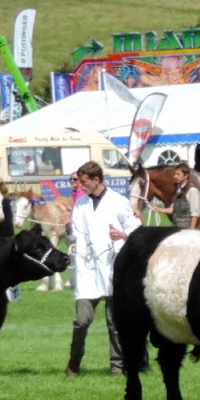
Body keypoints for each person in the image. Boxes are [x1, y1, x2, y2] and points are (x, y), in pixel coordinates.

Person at [67, 160, 139, 377]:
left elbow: (136, 229)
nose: (80, 186)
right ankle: (73, 364)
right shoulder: (80, 204)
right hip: (87, 269)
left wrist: (123, 235)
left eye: (83, 182)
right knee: (81, 321)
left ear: (96, 179)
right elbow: (75, 235)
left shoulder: (118, 201)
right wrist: (68, 230)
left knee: (114, 322)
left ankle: (117, 366)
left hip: (113, 267)